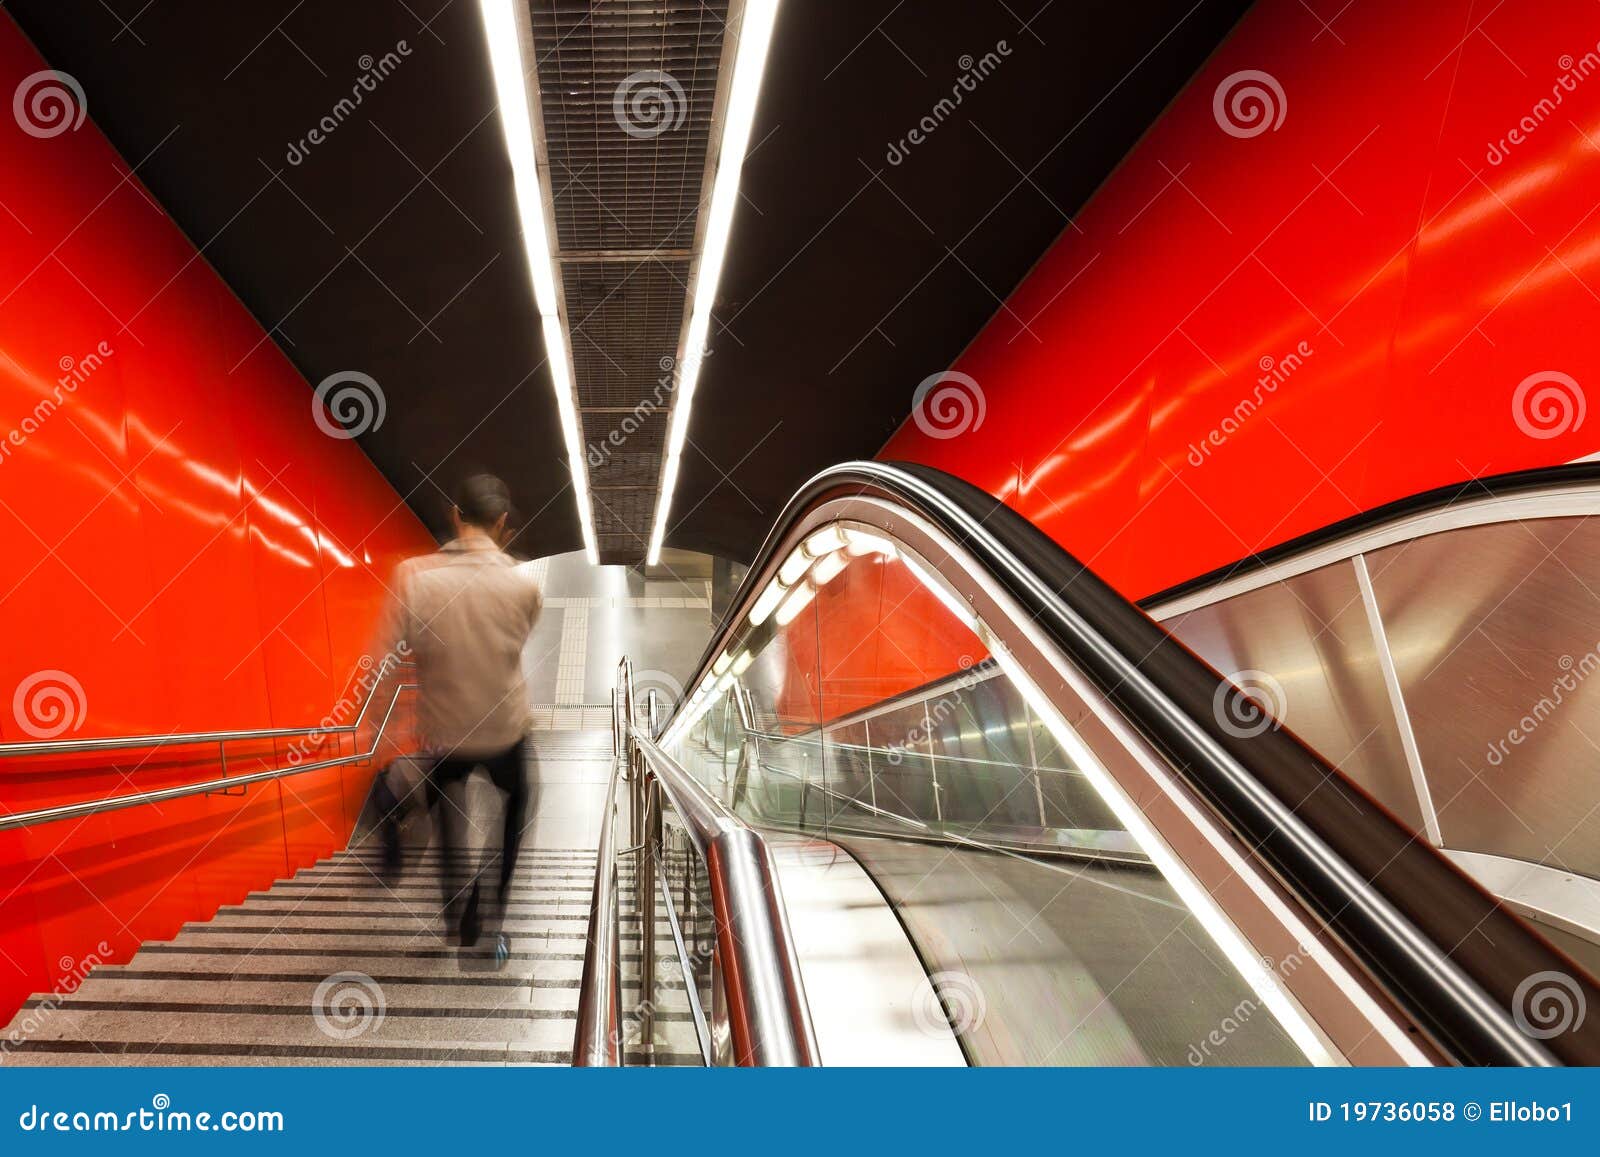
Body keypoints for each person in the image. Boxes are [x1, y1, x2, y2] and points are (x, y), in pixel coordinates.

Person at [378, 474, 542, 962]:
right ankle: (491, 912)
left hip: (444, 734)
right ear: (503, 523)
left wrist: (381, 731)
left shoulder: (416, 578)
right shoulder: (524, 584)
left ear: (455, 515)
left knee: (450, 816)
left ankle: (457, 919)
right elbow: (517, 638)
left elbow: (385, 658)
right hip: (505, 730)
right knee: (518, 805)